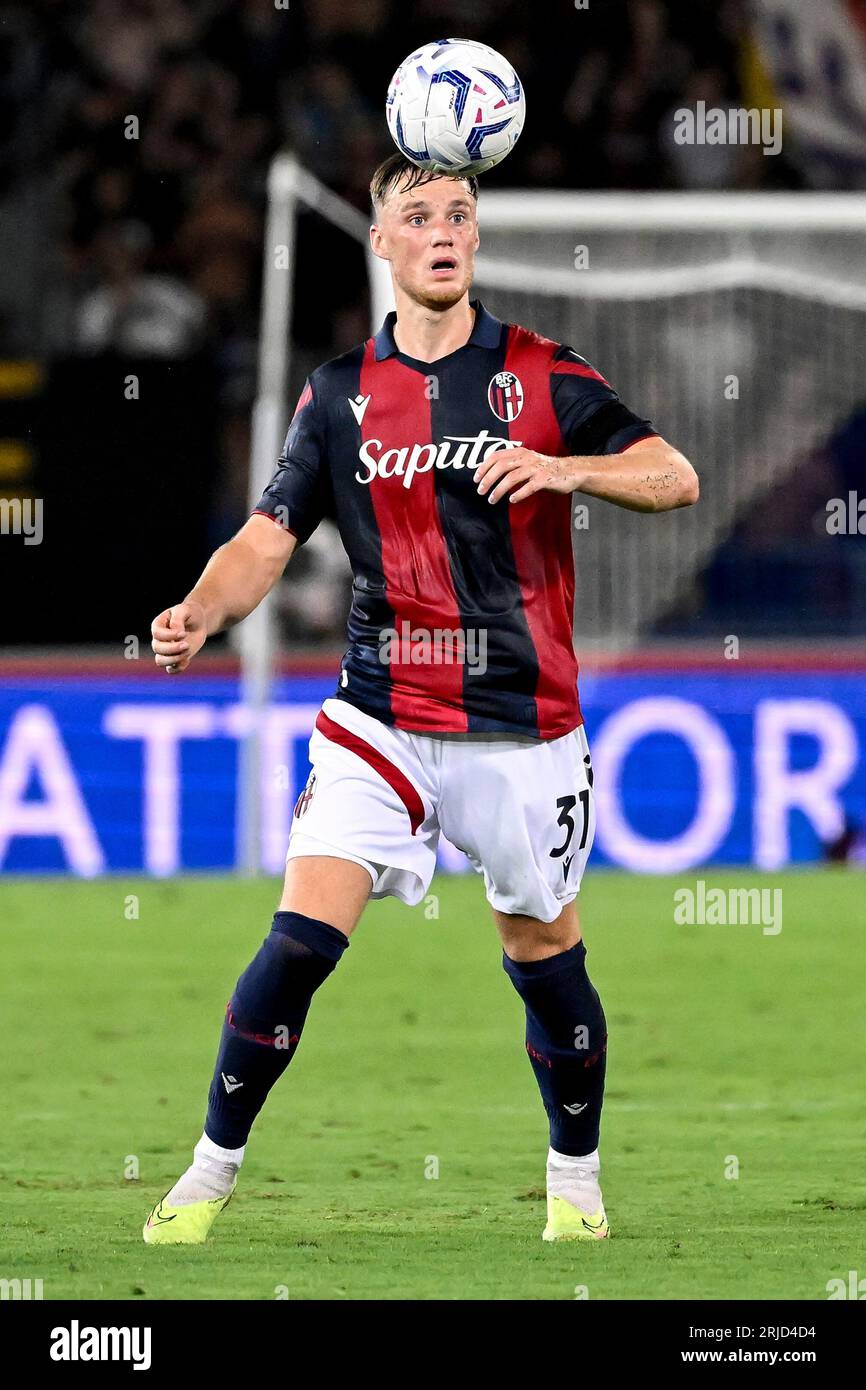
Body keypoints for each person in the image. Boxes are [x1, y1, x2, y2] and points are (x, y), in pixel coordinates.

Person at [144, 152, 699, 1246]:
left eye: (458, 212)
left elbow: (670, 474)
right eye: (417, 215)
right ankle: (205, 1179)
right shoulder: (339, 391)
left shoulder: (542, 374)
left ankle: (574, 1185)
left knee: (544, 964)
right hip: (378, 716)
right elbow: (269, 533)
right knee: (298, 941)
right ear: (382, 243)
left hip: (519, 724)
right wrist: (204, 608)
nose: (442, 230)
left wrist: (564, 470)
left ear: (475, 238)